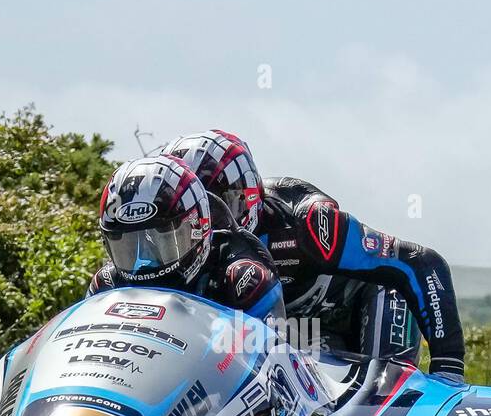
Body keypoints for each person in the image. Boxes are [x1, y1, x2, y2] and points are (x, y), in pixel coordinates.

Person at [160, 130, 467, 383]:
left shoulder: (308, 222)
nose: (217, 219)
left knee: (381, 400)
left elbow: (421, 261)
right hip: (291, 332)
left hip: (364, 307)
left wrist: (447, 370)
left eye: (223, 203)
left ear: (251, 194)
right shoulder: (174, 248)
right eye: (201, 210)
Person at [87, 155, 283, 323]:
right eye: (127, 247)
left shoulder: (242, 279)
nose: (144, 264)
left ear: (200, 226)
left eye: (162, 241)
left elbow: (275, 354)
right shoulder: (105, 284)